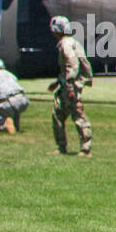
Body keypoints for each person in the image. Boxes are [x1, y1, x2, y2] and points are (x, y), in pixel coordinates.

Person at [48, 15, 92, 156]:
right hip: (68, 84)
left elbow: (72, 65)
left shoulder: (65, 44)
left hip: (71, 86)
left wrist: (70, 87)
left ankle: (86, 149)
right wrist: (58, 82)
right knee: (57, 115)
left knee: (78, 116)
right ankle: (61, 147)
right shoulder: (70, 42)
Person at [0, 58, 27, 133]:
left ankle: (5, 126)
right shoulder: (10, 74)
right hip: (22, 100)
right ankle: (16, 127)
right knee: (15, 113)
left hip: (7, 102)